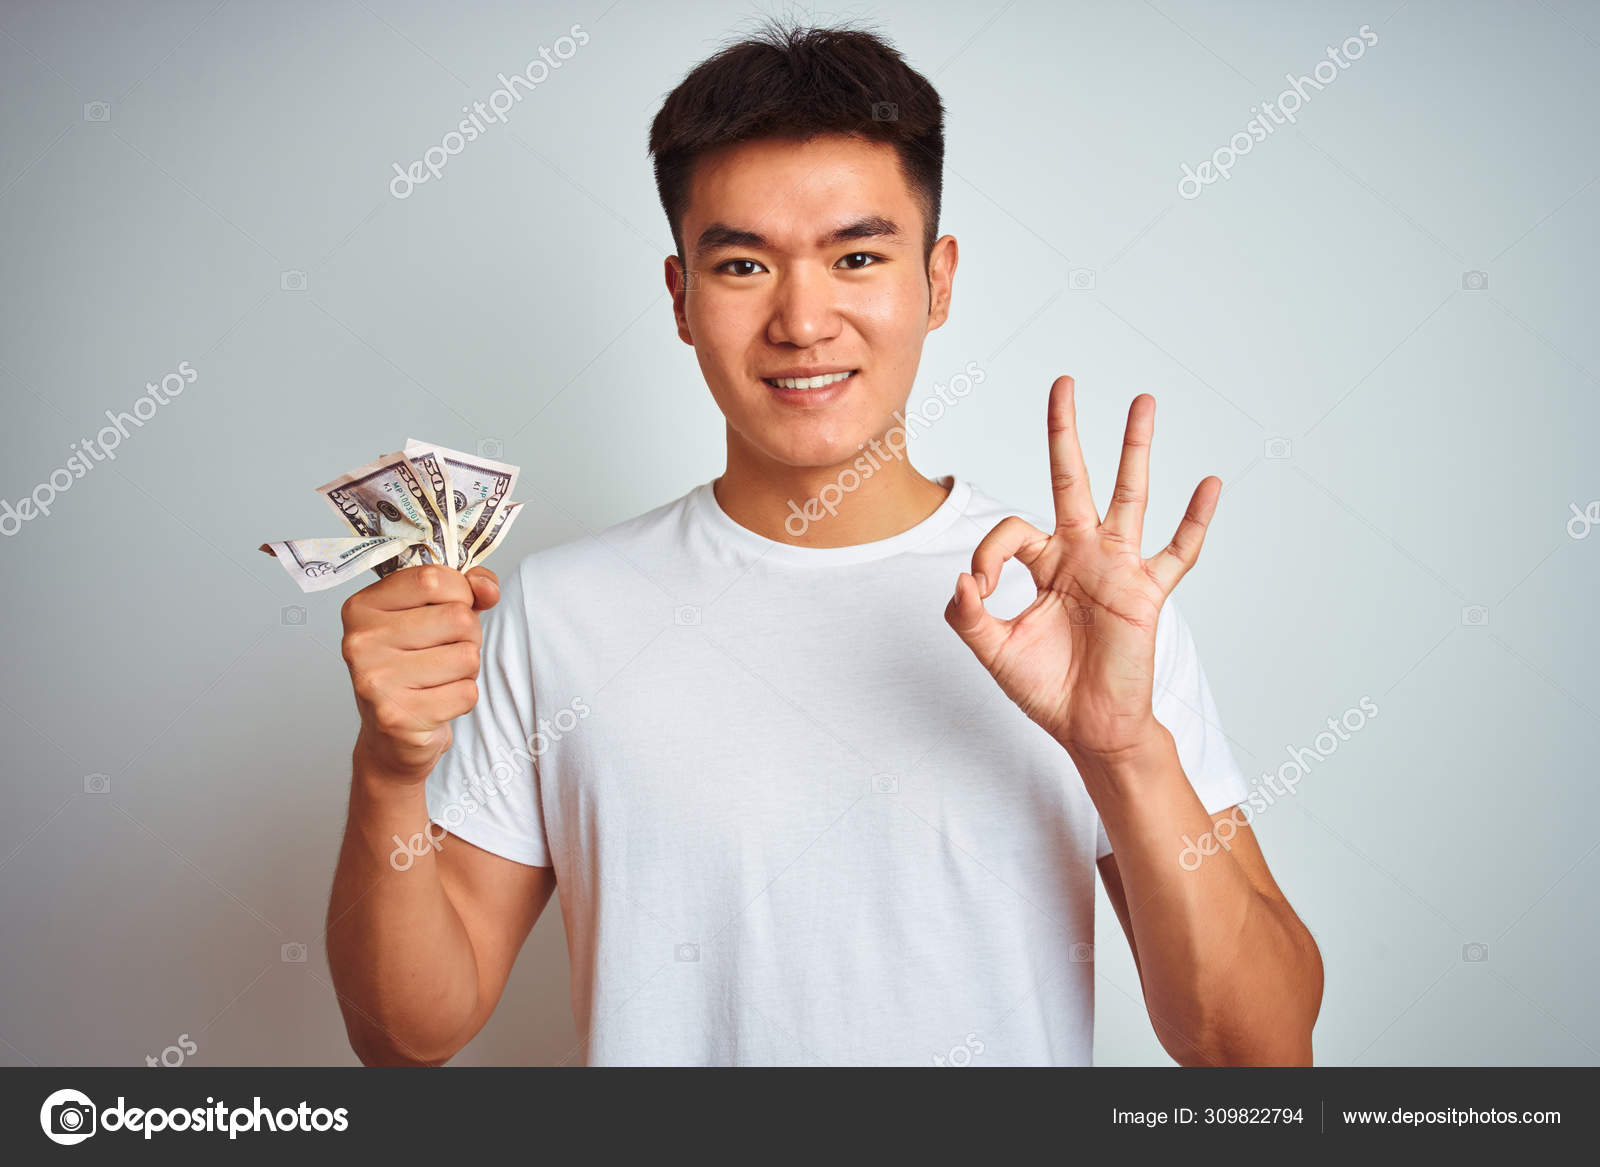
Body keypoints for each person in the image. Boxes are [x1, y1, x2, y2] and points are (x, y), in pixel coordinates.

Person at [325, 21, 1322, 1067]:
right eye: (745, 264)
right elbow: (406, 1038)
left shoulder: (1077, 609)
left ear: (938, 282)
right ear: (680, 300)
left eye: (856, 256)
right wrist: (389, 772)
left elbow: (1255, 1052)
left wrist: (1124, 753)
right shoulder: (558, 610)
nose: (802, 320)